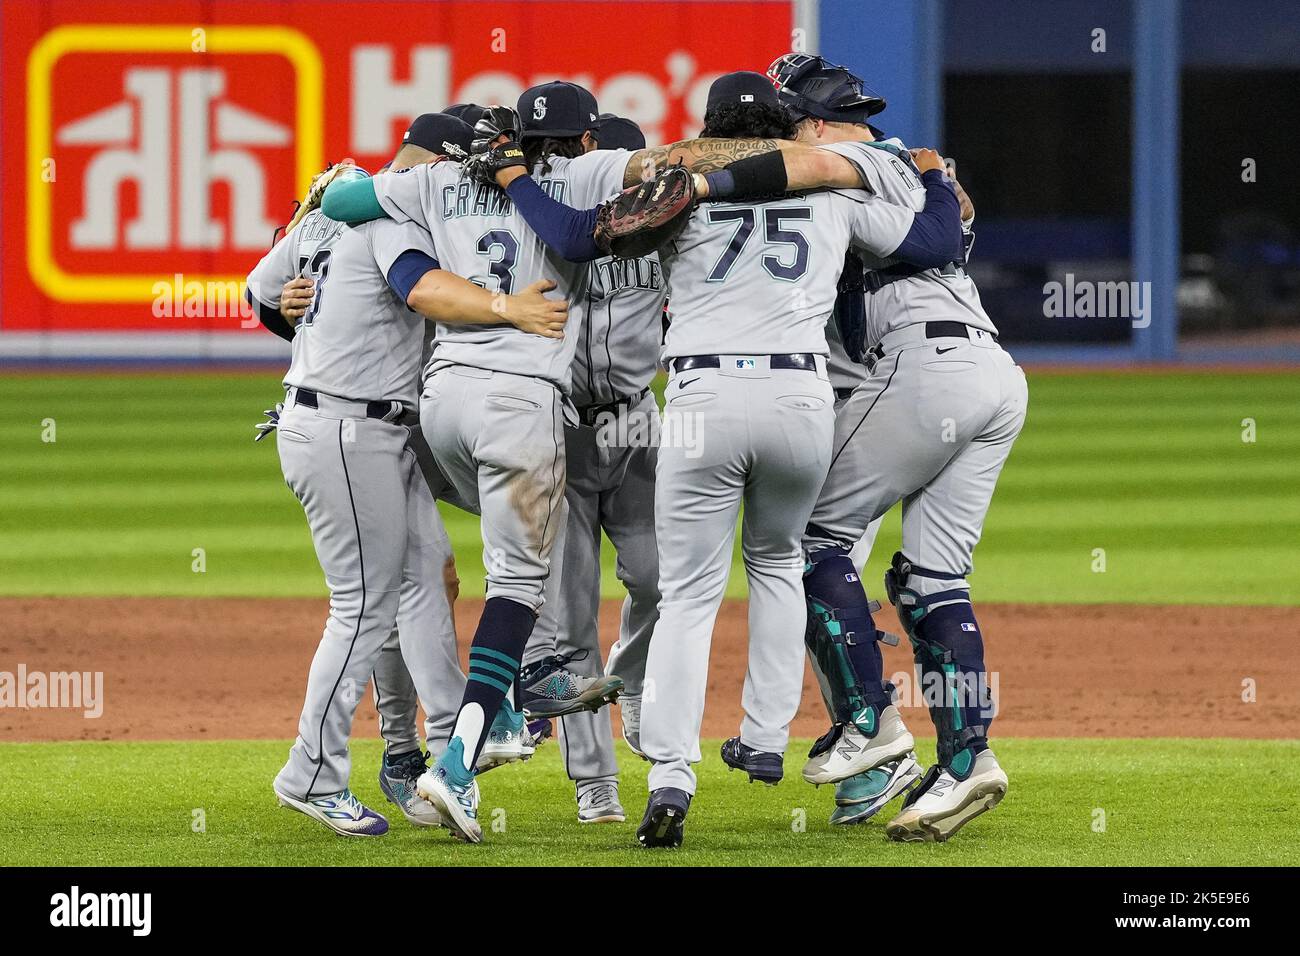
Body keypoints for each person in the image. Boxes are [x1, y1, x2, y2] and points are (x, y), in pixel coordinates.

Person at [470, 71, 964, 848]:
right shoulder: (835, 188)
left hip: (703, 397)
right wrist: (934, 178)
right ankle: (765, 739)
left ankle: (670, 774)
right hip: (801, 399)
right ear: (788, 125)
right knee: (776, 564)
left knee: (691, 594)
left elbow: (571, 237)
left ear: (710, 123)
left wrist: (510, 174)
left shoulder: (683, 180)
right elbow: (937, 242)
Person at [245, 113, 567, 839]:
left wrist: (292, 301)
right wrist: (505, 307)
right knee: (360, 607)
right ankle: (312, 774)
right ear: (444, 161)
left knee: (426, 572)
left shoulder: (332, 203)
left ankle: (461, 739)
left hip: (367, 425)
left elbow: (259, 290)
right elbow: (421, 290)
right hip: (347, 427)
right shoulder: (389, 205)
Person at [769, 52, 1026, 842]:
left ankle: (870, 725)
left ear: (809, 122)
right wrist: (939, 175)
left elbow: (767, 173)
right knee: (929, 578)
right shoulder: (906, 165)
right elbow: (958, 216)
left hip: (921, 364)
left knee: (805, 537)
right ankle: (967, 760)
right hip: (993, 371)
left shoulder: (837, 159)